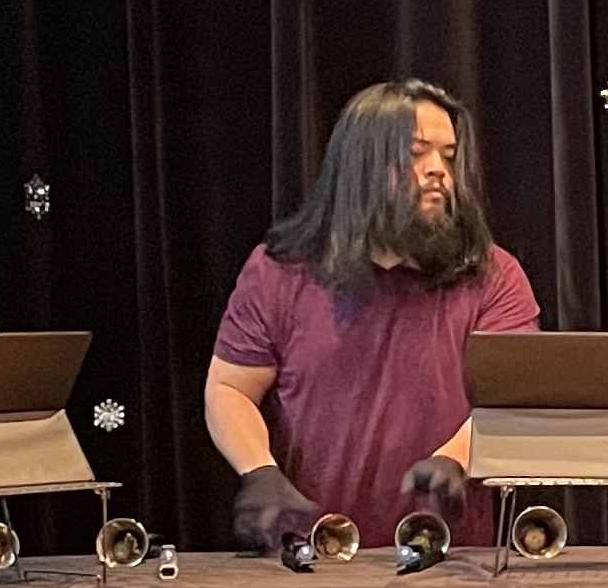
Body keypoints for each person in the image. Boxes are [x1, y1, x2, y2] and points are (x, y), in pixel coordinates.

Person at [204, 79, 540, 553]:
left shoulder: (493, 274)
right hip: (314, 554)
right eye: (417, 153)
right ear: (360, 165)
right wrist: (259, 472)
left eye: (447, 155)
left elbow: (515, 397)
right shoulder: (279, 271)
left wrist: (456, 459)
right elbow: (230, 388)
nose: (438, 171)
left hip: (449, 558)